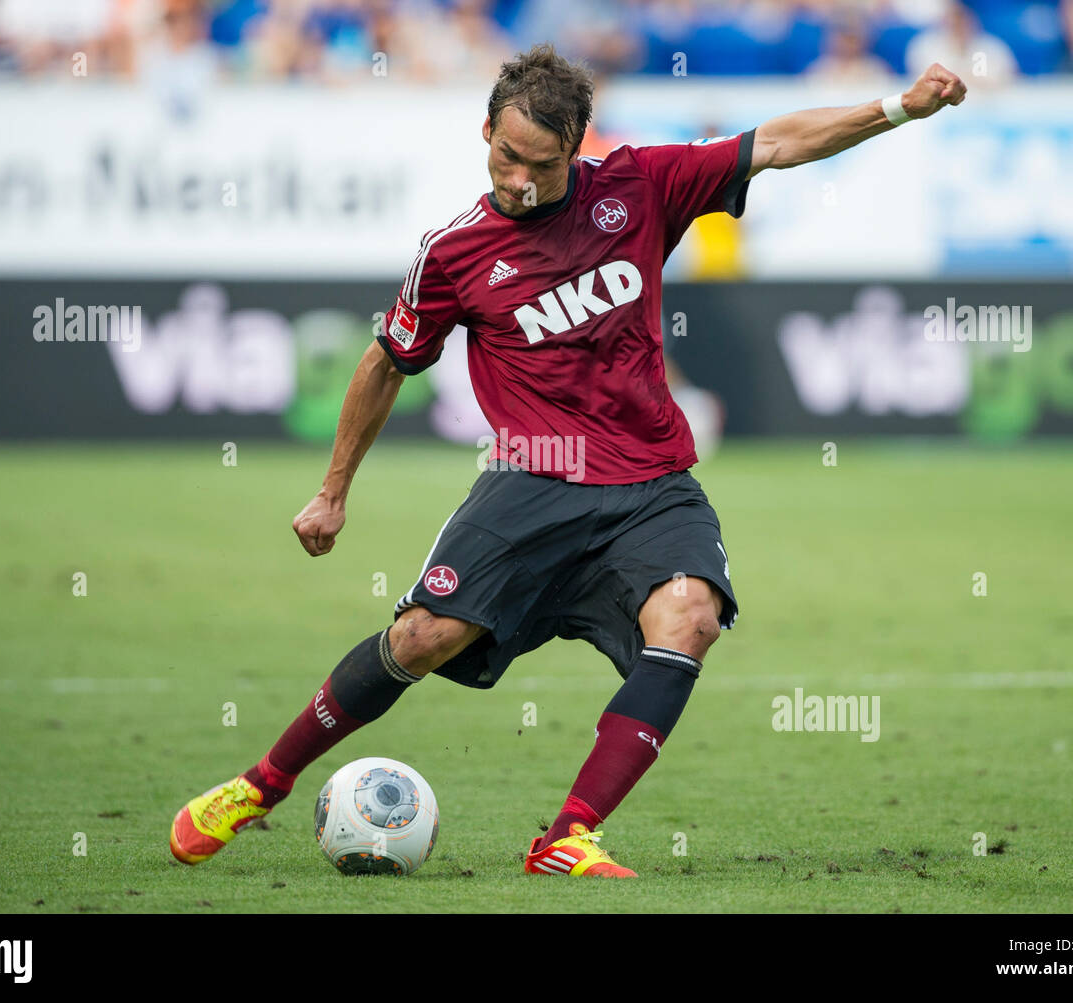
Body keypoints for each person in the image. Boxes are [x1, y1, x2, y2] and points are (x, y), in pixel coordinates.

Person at [170, 43, 966, 878]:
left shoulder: (640, 185)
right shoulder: (453, 253)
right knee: (421, 636)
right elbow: (384, 363)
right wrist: (332, 492)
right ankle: (262, 784)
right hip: (532, 481)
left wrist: (898, 108)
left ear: (578, 147)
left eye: (541, 166)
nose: (519, 179)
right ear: (485, 129)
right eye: (506, 155)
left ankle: (568, 834)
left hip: (653, 481)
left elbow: (774, 142)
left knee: (689, 618)